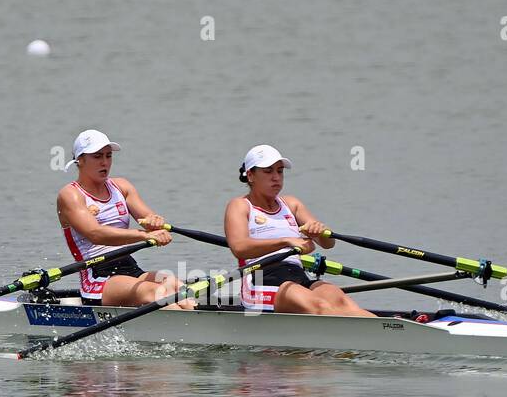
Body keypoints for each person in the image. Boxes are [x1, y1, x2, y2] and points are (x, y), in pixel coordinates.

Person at [224, 145, 375, 316]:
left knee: (342, 301)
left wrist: (320, 231)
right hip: (260, 281)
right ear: (250, 175)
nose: (276, 177)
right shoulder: (239, 206)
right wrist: (286, 241)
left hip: (297, 276)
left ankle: (387, 332)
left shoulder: (291, 204)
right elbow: (240, 248)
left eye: (280, 171)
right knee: (321, 307)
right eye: (268, 171)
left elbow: (328, 243)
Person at [57, 130, 194, 308]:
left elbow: (148, 220)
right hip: (97, 276)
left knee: (175, 284)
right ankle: (187, 330)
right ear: (80, 160)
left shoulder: (121, 186)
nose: (105, 162)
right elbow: (96, 234)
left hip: (130, 268)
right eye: (97, 156)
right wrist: (144, 236)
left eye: (108, 156)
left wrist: (155, 222)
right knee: (155, 292)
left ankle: (201, 325)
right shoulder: (71, 195)